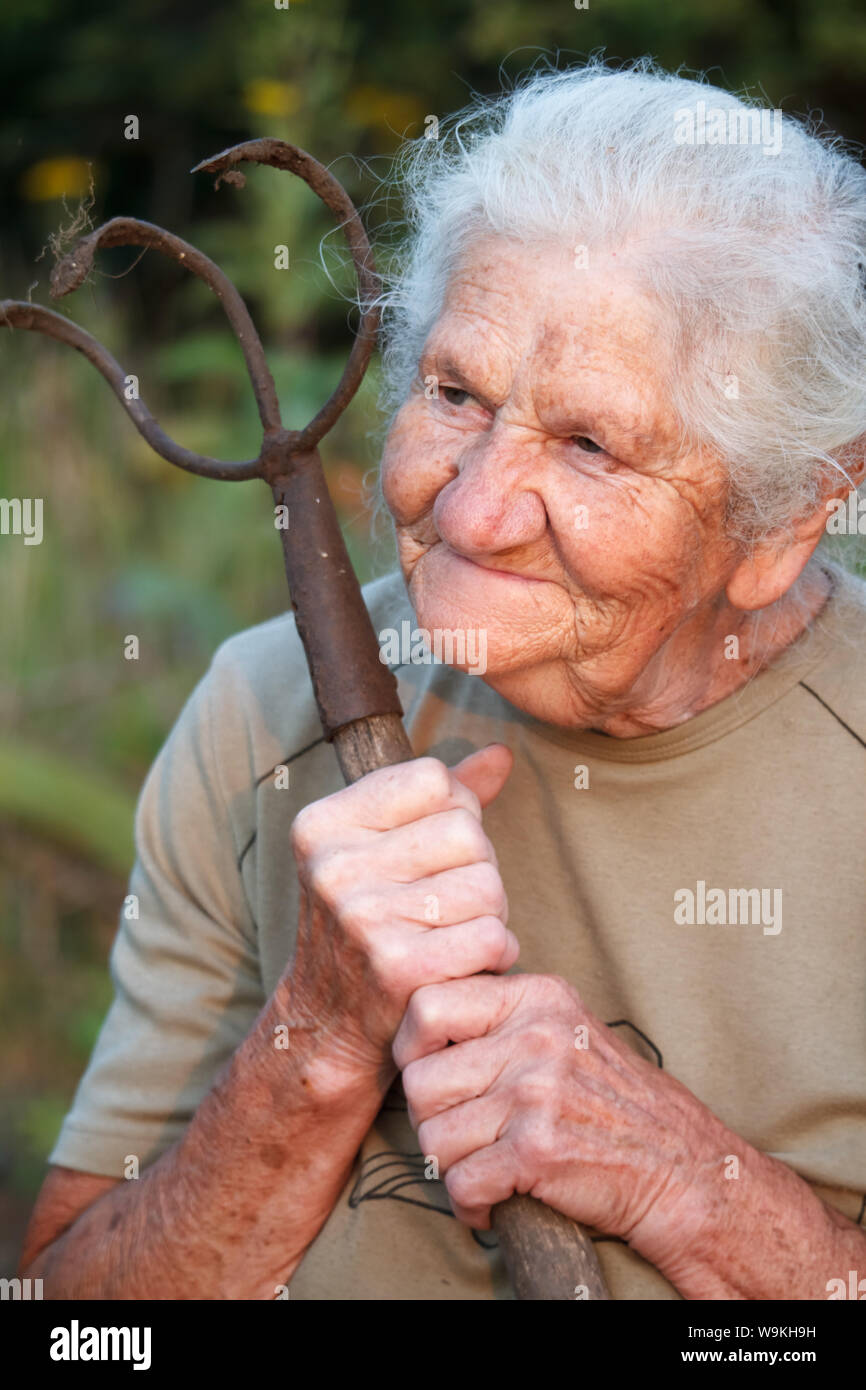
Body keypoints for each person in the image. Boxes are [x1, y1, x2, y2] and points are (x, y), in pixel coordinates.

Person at [20, 58, 866, 1300]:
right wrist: (314, 1034)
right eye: (455, 393)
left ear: (788, 515)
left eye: (589, 444)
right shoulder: (260, 710)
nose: (467, 511)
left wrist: (694, 1187)